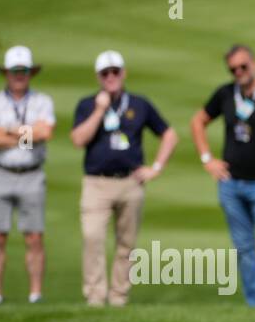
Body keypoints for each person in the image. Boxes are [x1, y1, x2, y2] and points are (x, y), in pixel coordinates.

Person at [70, 51, 178, 307]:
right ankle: (95, 297)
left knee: (126, 244)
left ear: (123, 73)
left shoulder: (139, 104)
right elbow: (78, 140)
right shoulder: (87, 104)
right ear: (98, 77)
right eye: (105, 73)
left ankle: (119, 297)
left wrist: (156, 167)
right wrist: (99, 111)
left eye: (115, 72)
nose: (111, 77)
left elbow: (170, 134)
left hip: (130, 183)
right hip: (96, 183)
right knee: (92, 237)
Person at [189, 44, 255, 307]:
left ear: (254, 63)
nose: (239, 73)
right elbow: (198, 121)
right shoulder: (225, 94)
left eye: (243, 66)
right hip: (231, 184)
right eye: (233, 69)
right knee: (244, 249)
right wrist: (207, 159)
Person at [0, 45, 54, 305]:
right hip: (1, 174)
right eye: (14, 71)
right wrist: (26, 133)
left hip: (31, 174)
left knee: (34, 236)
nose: (19, 75)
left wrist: (8, 132)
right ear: (7, 73)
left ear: (30, 73)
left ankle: (35, 295)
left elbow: (45, 133)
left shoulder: (42, 101)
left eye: (23, 71)